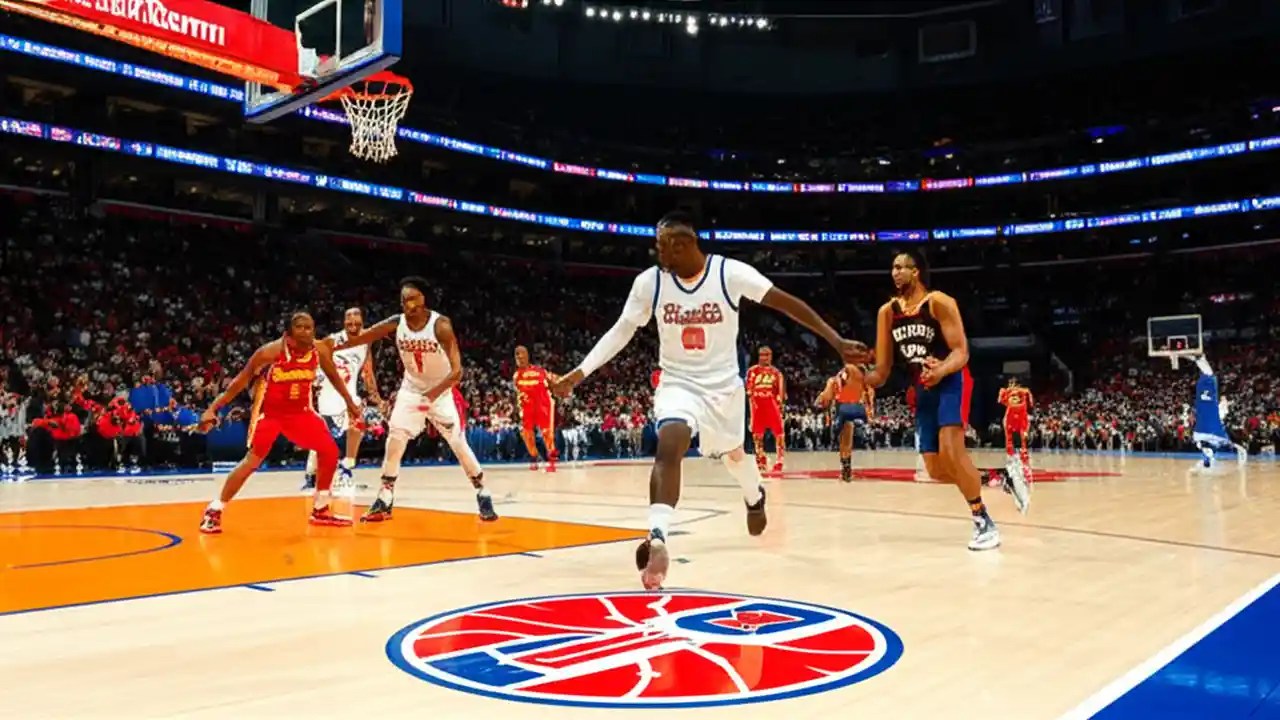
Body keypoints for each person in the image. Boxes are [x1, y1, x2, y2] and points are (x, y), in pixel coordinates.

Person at [550, 211, 866, 589]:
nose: (657, 252)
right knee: (670, 442)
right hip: (678, 383)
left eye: (663, 245)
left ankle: (754, 494)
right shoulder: (650, 283)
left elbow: (786, 303)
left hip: (723, 390)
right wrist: (580, 372)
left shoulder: (728, 273)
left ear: (684, 245)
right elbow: (622, 331)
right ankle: (657, 537)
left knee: (735, 456)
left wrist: (837, 342)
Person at [862, 250, 1029, 551]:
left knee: (953, 451)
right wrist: (854, 378)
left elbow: (961, 351)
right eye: (893, 267)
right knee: (937, 469)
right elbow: (883, 371)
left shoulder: (938, 302)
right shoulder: (887, 312)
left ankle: (983, 522)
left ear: (916, 272)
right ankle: (1000, 476)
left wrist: (941, 370)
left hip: (952, 380)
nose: (895, 272)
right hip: (923, 389)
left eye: (902, 267)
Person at [335, 277, 496, 523]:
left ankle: (482, 491)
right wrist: (331, 342)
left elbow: (457, 372)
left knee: (457, 443)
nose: (406, 304)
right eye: (403, 299)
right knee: (395, 438)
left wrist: (431, 395)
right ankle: (385, 498)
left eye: (411, 298)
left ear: (423, 300)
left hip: (440, 391)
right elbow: (359, 339)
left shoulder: (441, 325)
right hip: (411, 389)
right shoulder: (395, 323)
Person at [197, 312, 361, 534]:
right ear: (289, 332)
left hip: (301, 414)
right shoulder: (270, 352)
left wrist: (351, 403)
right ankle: (214, 510)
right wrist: (212, 409)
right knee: (251, 462)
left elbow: (334, 377)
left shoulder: (319, 349)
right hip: (271, 415)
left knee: (329, 451)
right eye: (301, 327)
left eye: (310, 327)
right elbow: (237, 384)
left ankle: (320, 508)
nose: (306, 331)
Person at [303, 307, 385, 491]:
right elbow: (314, 355)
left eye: (356, 316)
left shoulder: (366, 343)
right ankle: (312, 475)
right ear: (344, 322)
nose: (352, 321)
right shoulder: (333, 339)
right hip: (329, 394)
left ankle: (346, 470)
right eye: (349, 317)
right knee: (324, 438)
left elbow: (367, 372)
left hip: (349, 394)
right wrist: (314, 378)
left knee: (358, 425)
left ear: (363, 321)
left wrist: (377, 398)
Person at [1189, 355, 1248, 470]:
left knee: (1210, 443)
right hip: (1212, 429)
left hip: (1202, 429)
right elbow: (1209, 374)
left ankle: (1206, 453)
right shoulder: (1211, 391)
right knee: (1216, 442)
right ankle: (1207, 452)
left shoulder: (1201, 392)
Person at [817, 363, 873, 483]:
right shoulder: (853, 382)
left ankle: (846, 469)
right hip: (841, 408)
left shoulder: (834, 380)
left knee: (844, 441)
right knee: (846, 441)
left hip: (836, 410)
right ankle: (846, 469)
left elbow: (823, 399)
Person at [513, 346, 559, 472]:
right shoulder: (516, 376)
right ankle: (533, 457)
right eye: (516, 355)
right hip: (527, 406)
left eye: (521, 354)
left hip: (543, 404)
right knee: (527, 434)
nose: (519, 357)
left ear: (527, 356)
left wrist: (560, 381)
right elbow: (518, 394)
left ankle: (551, 461)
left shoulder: (540, 371)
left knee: (546, 433)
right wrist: (519, 409)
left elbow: (555, 380)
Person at [745, 347, 787, 472]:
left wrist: (780, 408)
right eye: (762, 355)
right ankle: (760, 457)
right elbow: (749, 392)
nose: (765, 357)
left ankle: (780, 460)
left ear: (771, 356)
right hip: (757, 405)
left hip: (772, 405)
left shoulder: (776, 373)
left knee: (779, 433)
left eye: (767, 355)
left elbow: (780, 393)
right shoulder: (752, 371)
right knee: (757, 435)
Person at [998, 378, 1033, 468]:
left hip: (1021, 417)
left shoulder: (1024, 391)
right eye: (1010, 384)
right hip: (1011, 416)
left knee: (1023, 437)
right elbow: (1001, 401)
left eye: (1012, 384)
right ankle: (1010, 456)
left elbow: (1030, 402)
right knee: (1009, 437)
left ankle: (1024, 457)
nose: (1011, 386)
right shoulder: (1005, 391)